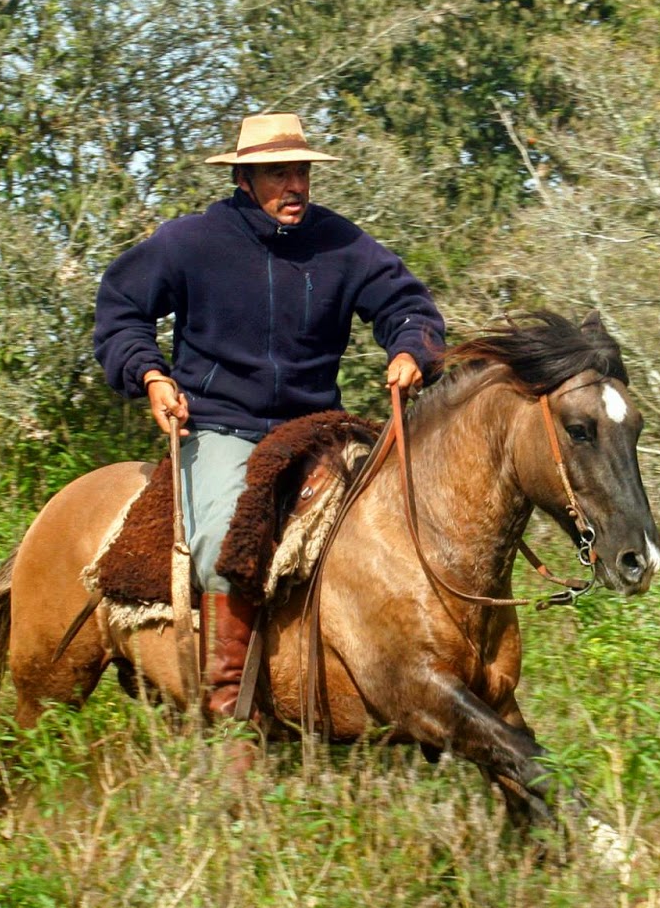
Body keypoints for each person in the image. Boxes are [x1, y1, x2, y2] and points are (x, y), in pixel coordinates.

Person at [94, 112, 446, 722]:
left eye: (302, 172)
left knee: (392, 520)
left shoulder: (342, 243)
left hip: (316, 429)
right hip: (221, 426)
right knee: (221, 540)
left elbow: (407, 304)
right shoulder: (190, 243)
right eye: (279, 173)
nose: (295, 185)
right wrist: (150, 375)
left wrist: (411, 348)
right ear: (246, 179)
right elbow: (121, 309)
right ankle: (231, 713)